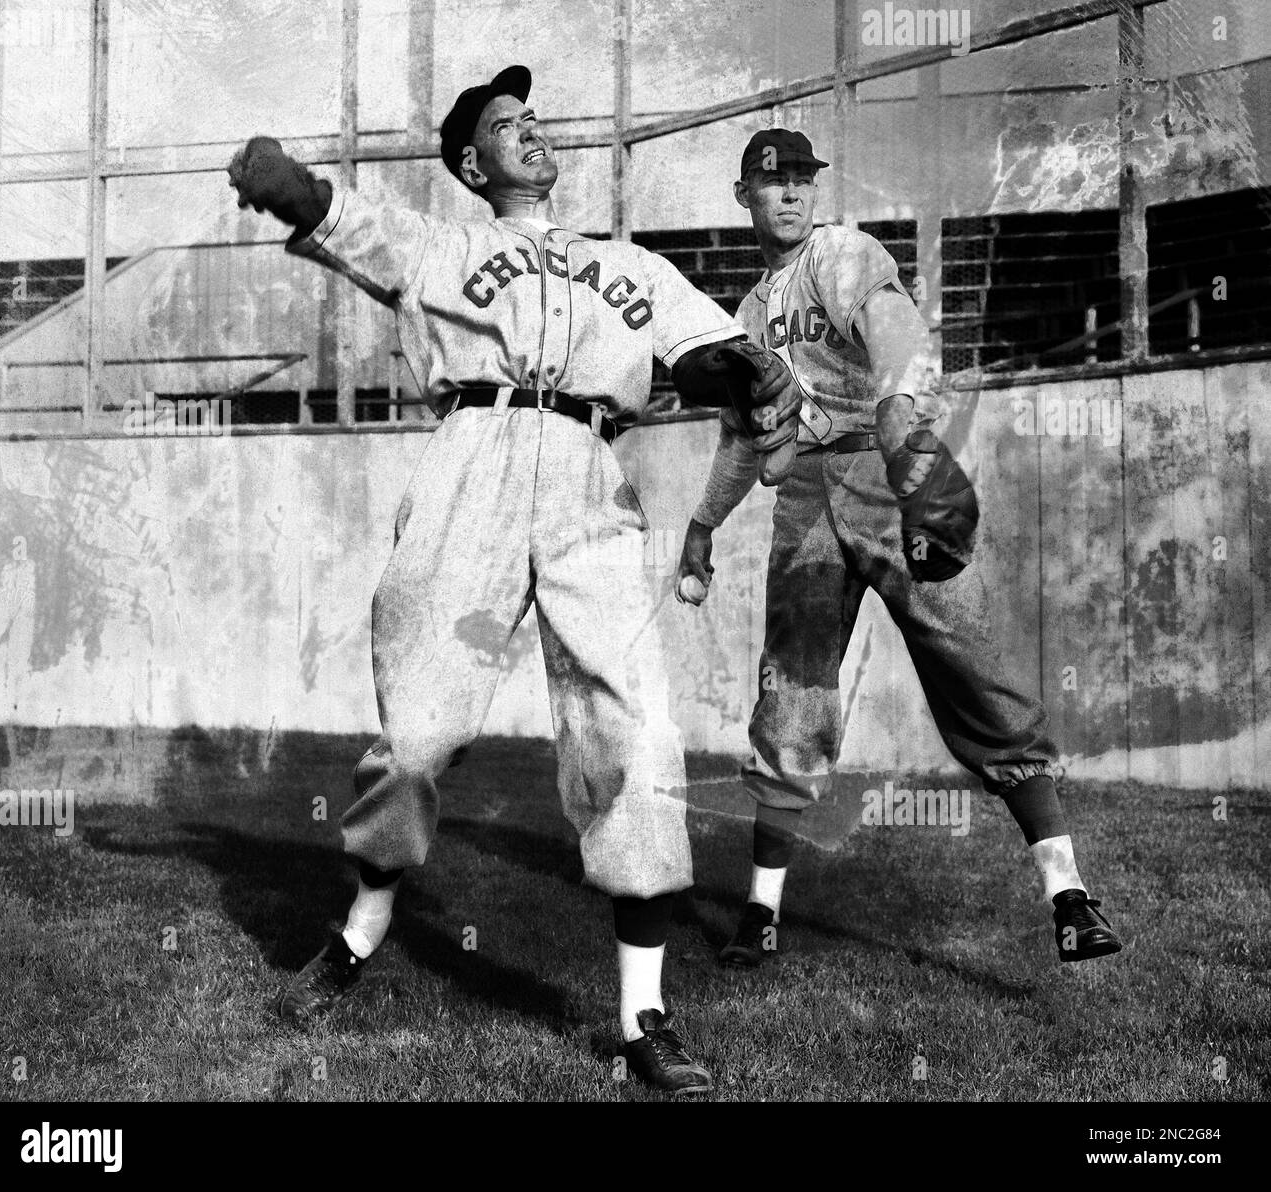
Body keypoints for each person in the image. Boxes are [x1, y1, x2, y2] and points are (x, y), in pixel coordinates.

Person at [226, 66, 788, 1095]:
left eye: (535, 119)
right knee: (416, 736)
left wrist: (745, 369)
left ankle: (641, 1016)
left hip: (588, 470)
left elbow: (702, 354)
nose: (530, 132)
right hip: (472, 457)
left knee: (636, 731)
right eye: (505, 124)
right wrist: (283, 181)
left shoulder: (628, 263)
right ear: (471, 163)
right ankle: (359, 931)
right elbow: (334, 213)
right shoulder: (442, 244)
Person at [676, 128, 1122, 969]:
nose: (791, 194)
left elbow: (898, 341)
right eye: (772, 184)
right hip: (804, 498)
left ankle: (1070, 897)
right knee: (794, 697)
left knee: (978, 675)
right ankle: (762, 912)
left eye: (802, 179)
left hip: (888, 474)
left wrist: (901, 425)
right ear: (744, 197)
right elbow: (743, 443)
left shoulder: (842, 252)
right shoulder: (745, 316)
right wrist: (702, 524)